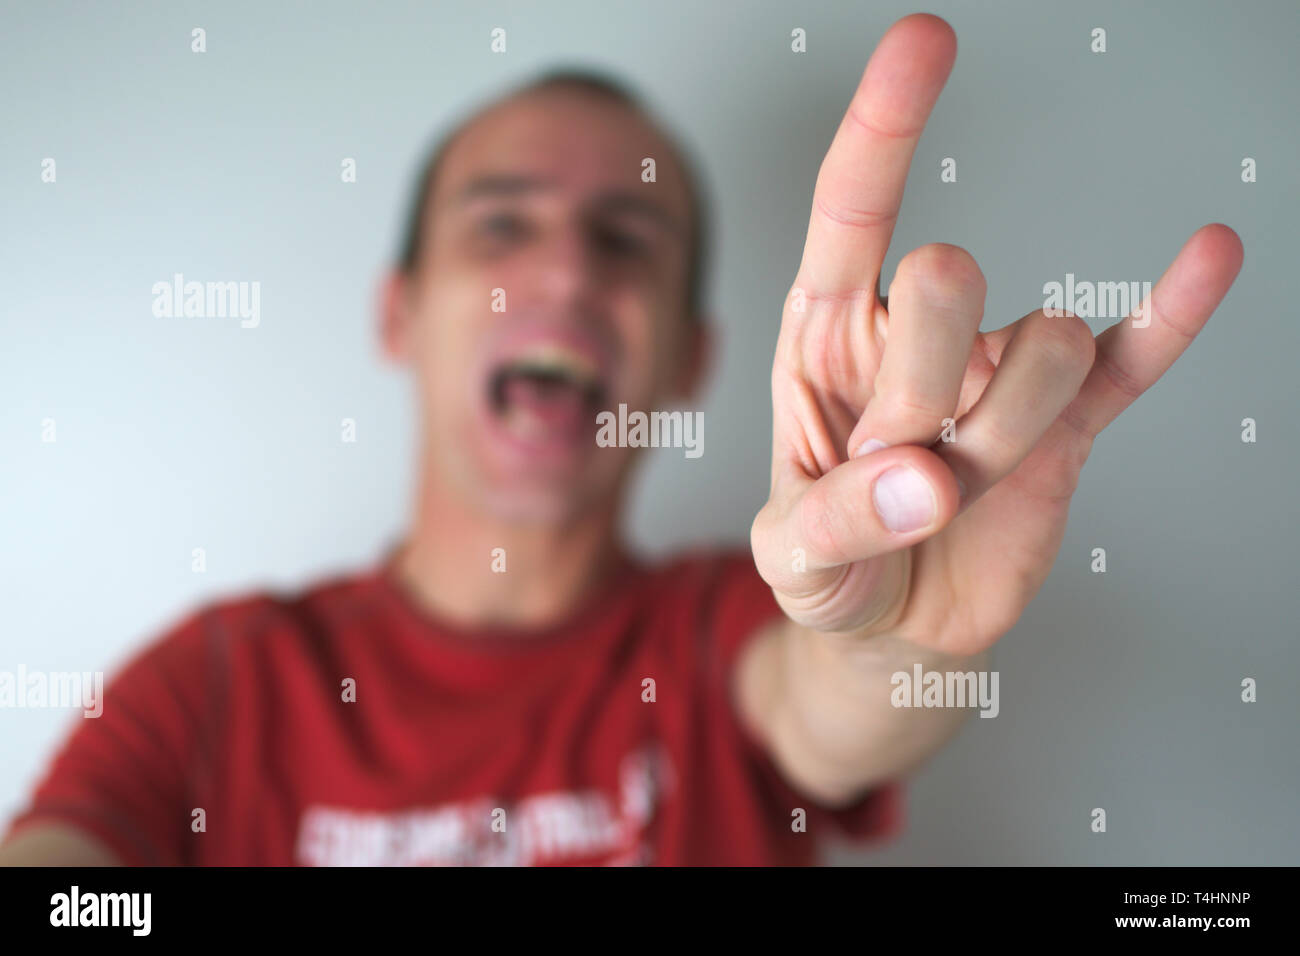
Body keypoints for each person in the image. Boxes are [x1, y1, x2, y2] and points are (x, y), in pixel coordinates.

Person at [0, 13, 1242, 866]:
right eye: (500, 226)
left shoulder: (721, 631)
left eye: (625, 240)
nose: (563, 273)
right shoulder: (217, 679)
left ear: (689, 359)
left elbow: (831, 701)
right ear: (399, 313)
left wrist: (892, 637)